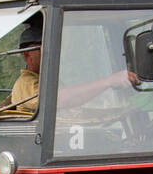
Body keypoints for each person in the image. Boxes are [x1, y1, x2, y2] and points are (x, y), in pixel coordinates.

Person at [10, 16, 140, 116]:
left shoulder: (46, 81)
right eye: (43, 48)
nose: (52, 52)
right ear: (27, 55)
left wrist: (111, 113)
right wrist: (108, 81)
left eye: (54, 47)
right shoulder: (26, 83)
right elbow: (60, 100)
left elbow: (72, 108)